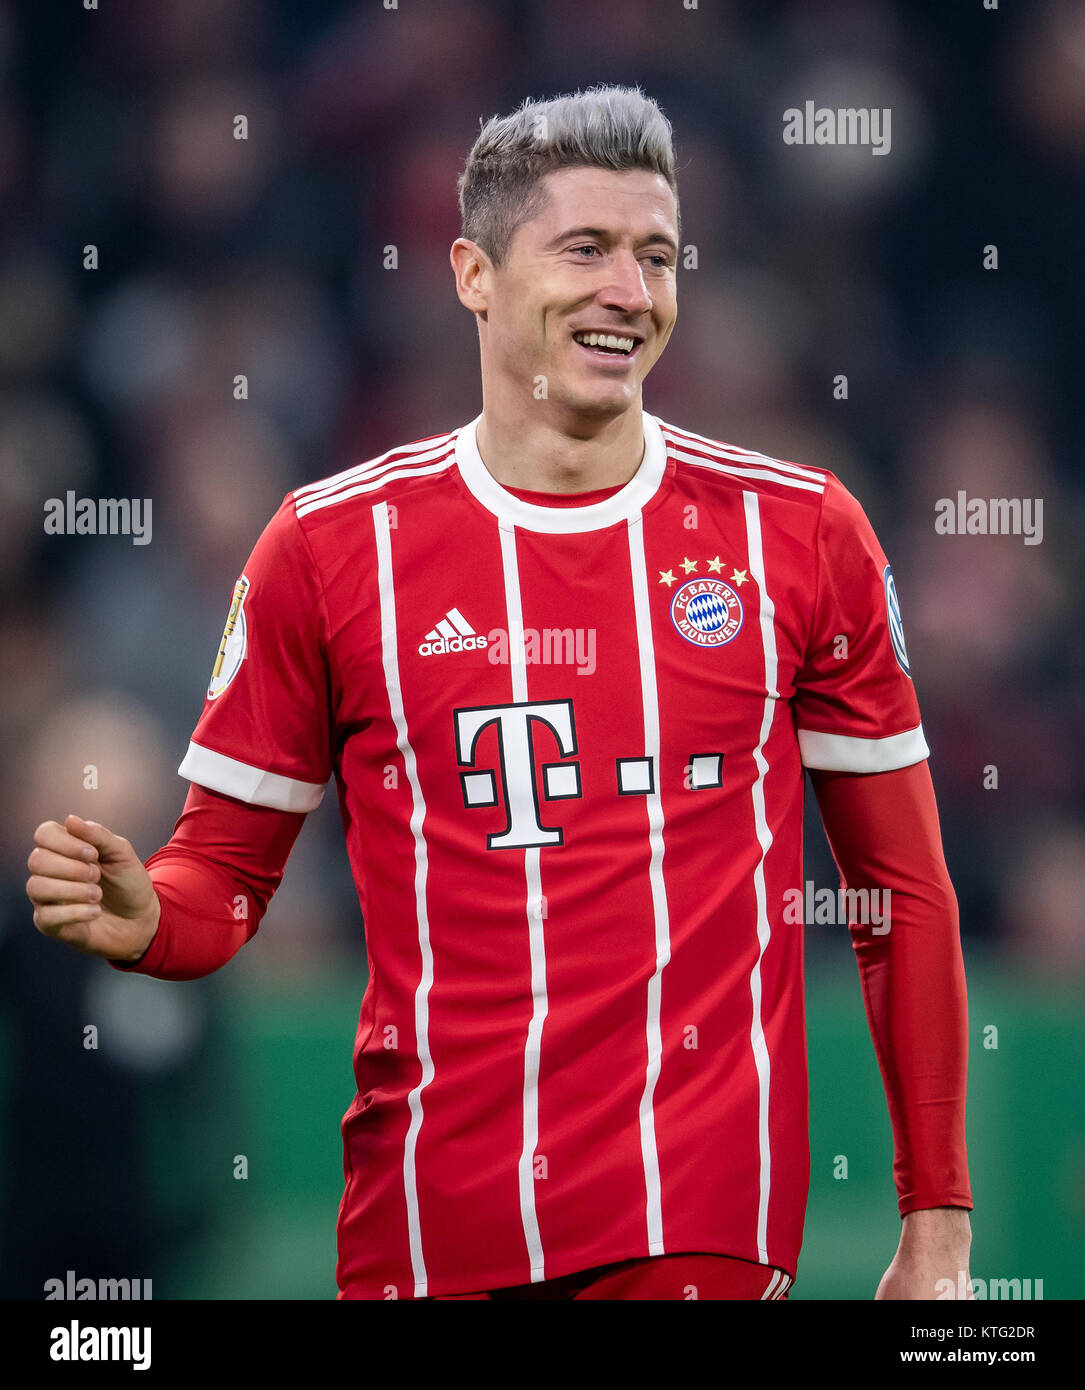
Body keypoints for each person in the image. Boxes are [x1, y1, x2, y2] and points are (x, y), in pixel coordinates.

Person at [25, 84, 972, 1301]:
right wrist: (151, 919)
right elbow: (226, 875)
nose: (629, 292)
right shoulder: (328, 548)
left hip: (689, 1224)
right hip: (421, 1223)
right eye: (585, 248)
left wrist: (935, 1224)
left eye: (656, 256)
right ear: (472, 272)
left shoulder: (798, 533)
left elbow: (899, 889)